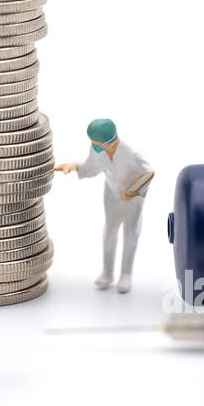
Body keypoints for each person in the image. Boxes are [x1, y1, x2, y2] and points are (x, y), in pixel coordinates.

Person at [54, 118, 154, 294]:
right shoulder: (96, 148)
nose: (93, 145)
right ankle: (107, 273)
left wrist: (132, 191)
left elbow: (149, 172)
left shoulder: (131, 153)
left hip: (132, 199)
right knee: (109, 232)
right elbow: (92, 167)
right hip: (112, 194)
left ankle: (126, 275)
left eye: (96, 142)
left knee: (130, 234)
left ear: (110, 140)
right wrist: (74, 166)